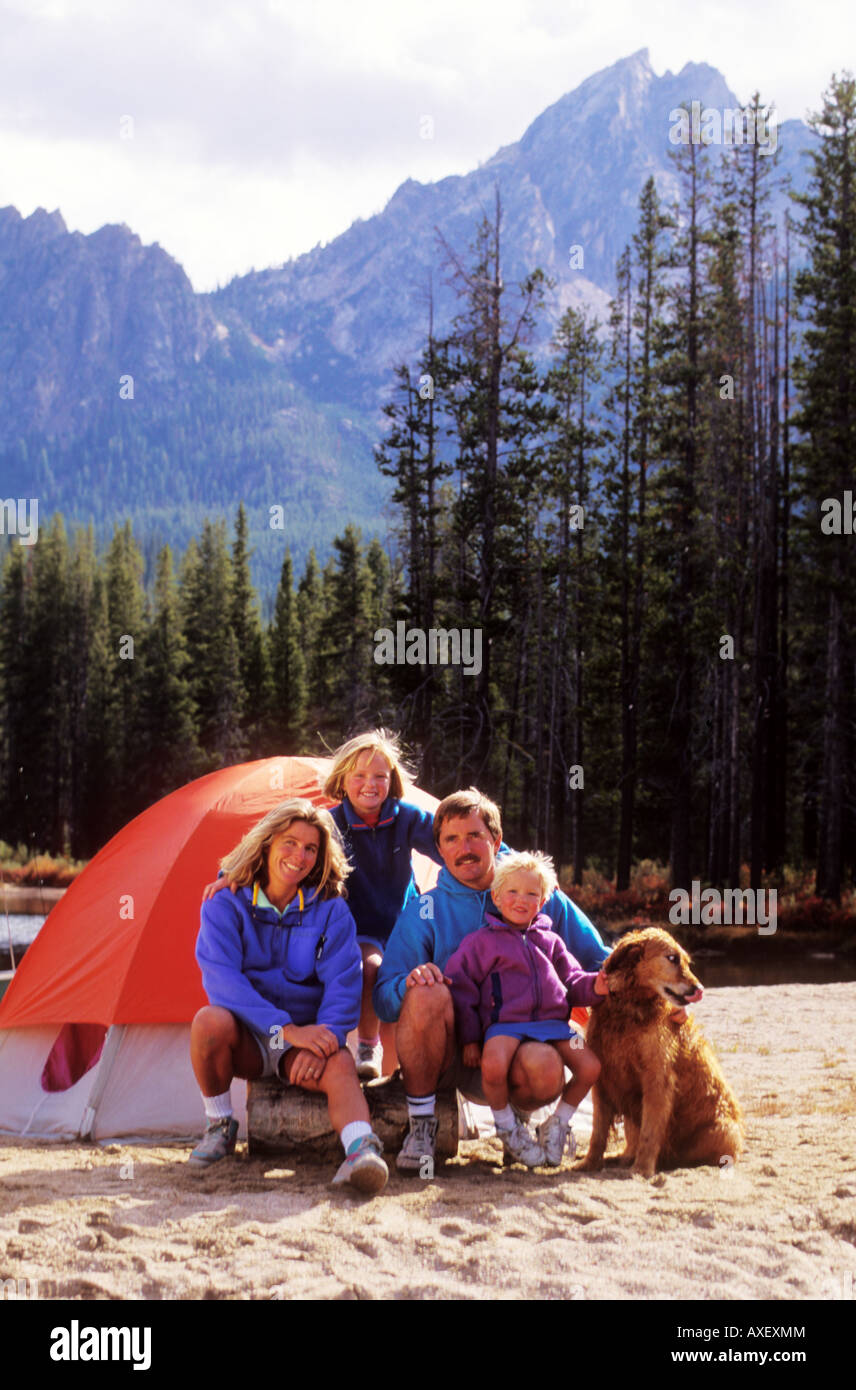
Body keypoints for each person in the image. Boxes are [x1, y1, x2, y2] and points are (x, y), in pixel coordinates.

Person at [373, 787, 610, 1175]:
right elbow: (383, 998)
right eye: (451, 839)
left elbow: (599, 957)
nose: (463, 848)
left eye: (474, 836)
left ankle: (517, 1125)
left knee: (549, 1066)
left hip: (518, 1045)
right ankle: (422, 1126)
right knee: (426, 990)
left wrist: (651, 992)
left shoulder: (534, 892)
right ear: (439, 849)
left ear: (495, 840)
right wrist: (410, 982)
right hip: (451, 1052)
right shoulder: (426, 908)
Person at [190, 798, 388, 1194]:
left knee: (340, 1064)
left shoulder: (330, 910)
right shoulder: (224, 902)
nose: (300, 856)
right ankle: (219, 1124)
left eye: (311, 848)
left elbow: (344, 981)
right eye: (290, 843)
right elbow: (223, 983)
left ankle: (361, 1151)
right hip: (250, 1037)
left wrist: (326, 1037)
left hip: (303, 1041)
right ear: (266, 844)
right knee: (208, 1022)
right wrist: (285, 1030)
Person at [446, 850, 608, 1169]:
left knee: (590, 1066)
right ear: (496, 896)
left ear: (543, 900)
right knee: (493, 1065)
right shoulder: (482, 942)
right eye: (513, 892)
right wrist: (469, 1039)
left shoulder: (551, 942)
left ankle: (557, 1124)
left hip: (556, 1027)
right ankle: (507, 1128)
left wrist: (596, 986)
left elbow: (574, 981)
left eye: (532, 894)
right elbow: (461, 988)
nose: (522, 900)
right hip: (504, 1026)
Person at [323, 730, 443, 1081]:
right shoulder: (332, 823)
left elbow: (454, 844)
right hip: (360, 926)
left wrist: (509, 862)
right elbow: (278, 845)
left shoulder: (405, 817)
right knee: (370, 967)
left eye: (380, 776)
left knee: (419, 983)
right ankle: (367, 1044)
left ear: (392, 780)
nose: (369, 784)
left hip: (404, 924)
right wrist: (231, 872)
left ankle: (419, 1069)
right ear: (343, 780)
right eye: (359, 776)